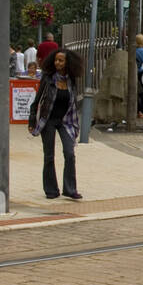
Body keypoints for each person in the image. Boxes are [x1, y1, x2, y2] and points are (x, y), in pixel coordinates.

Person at [29, 48, 84, 200]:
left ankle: (70, 189)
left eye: (61, 60)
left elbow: (73, 101)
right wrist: (32, 120)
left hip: (66, 120)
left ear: (68, 63)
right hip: (48, 120)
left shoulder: (71, 79)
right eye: (56, 60)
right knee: (49, 156)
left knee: (70, 153)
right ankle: (51, 190)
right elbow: (37, 100)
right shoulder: (48, 78)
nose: (57, 63)